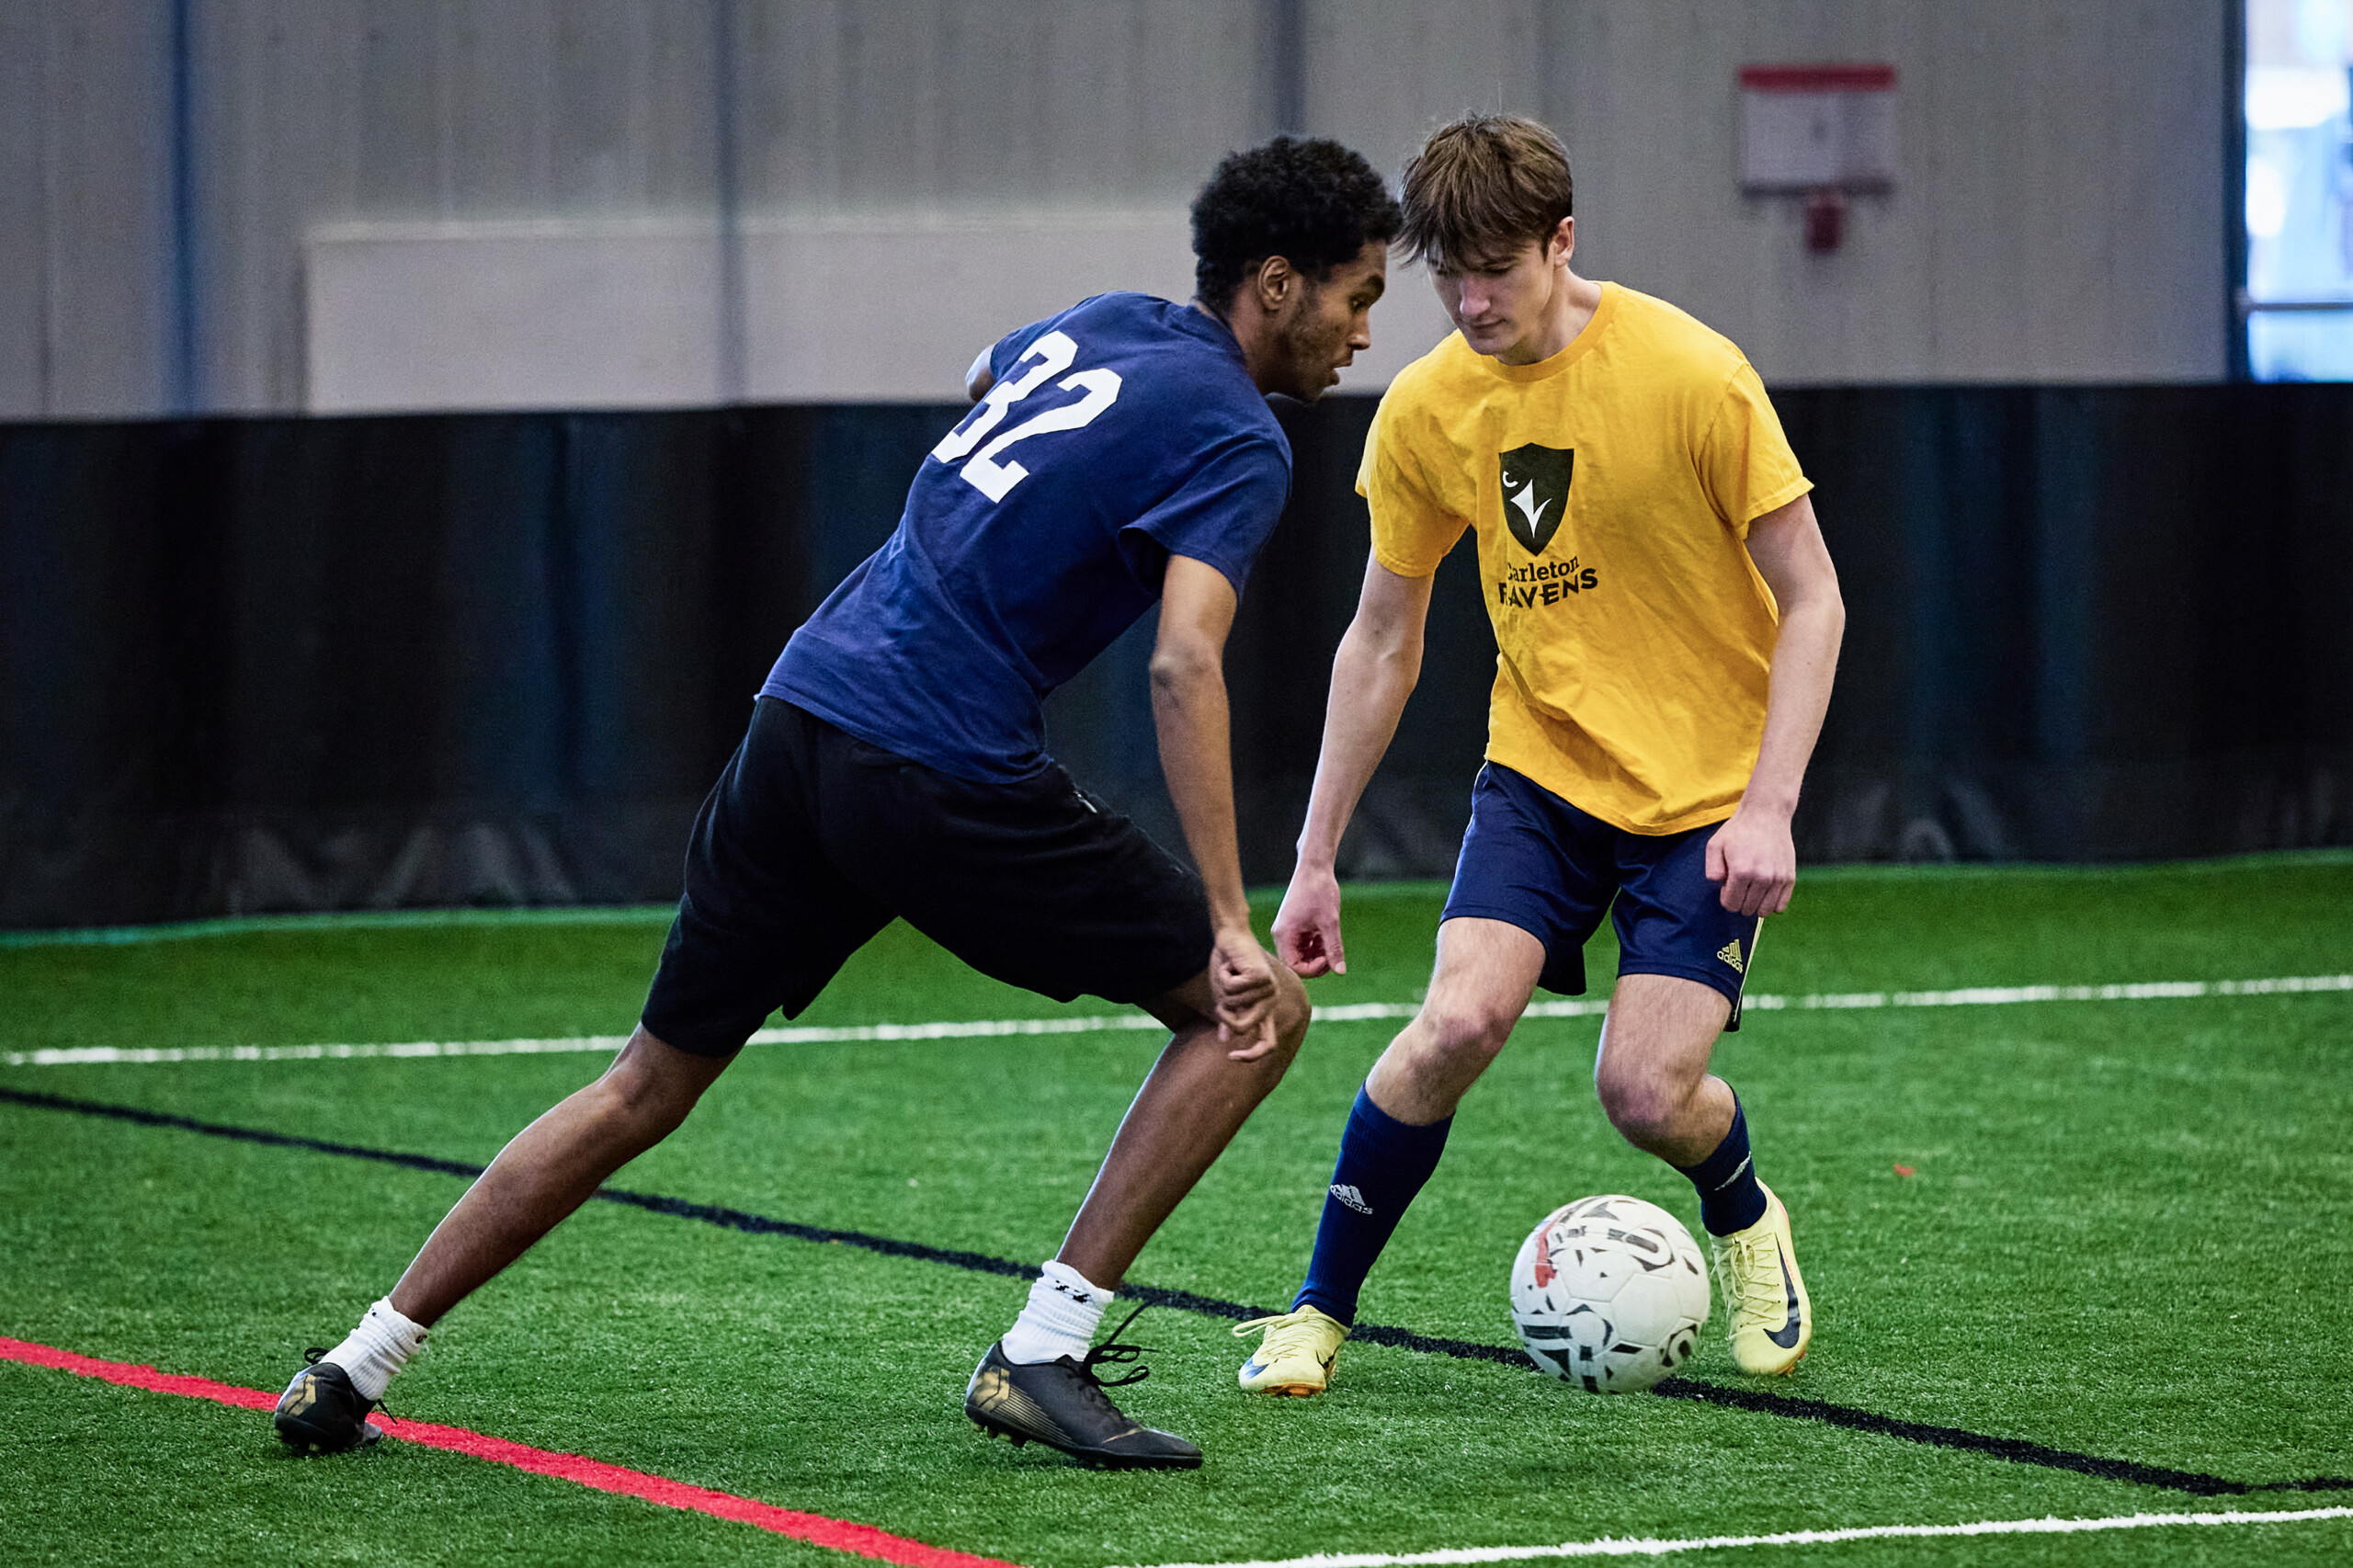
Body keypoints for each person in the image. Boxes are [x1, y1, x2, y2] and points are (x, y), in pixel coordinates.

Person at [274, 136, 1400, 1471]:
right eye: (1357, 295)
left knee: (643, 1083)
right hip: (932, 758)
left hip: (799, 715)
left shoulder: (1103, 322)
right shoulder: (1239, 433)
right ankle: (1045, 1346)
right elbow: (1182, 658)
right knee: (1252, 1012)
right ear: (1276, 284)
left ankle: (360, 1356)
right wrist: (1228, 912)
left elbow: (987, 377)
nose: (1364, 334)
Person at [1231, 114, 1844, 1397]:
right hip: (1544, 777)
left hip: (1705, 798)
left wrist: (1772, 807)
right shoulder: (1428, 408)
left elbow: (1816, 598)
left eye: (1496, 268)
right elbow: (1381, 638)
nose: (1468, 300)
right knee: (1454, 1022)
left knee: (1646, 1092)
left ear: (1563, 242)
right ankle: (1315, 1310)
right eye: (1445, 273)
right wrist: (1315, 857)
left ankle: (1742, 1212)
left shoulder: (1692, 372)